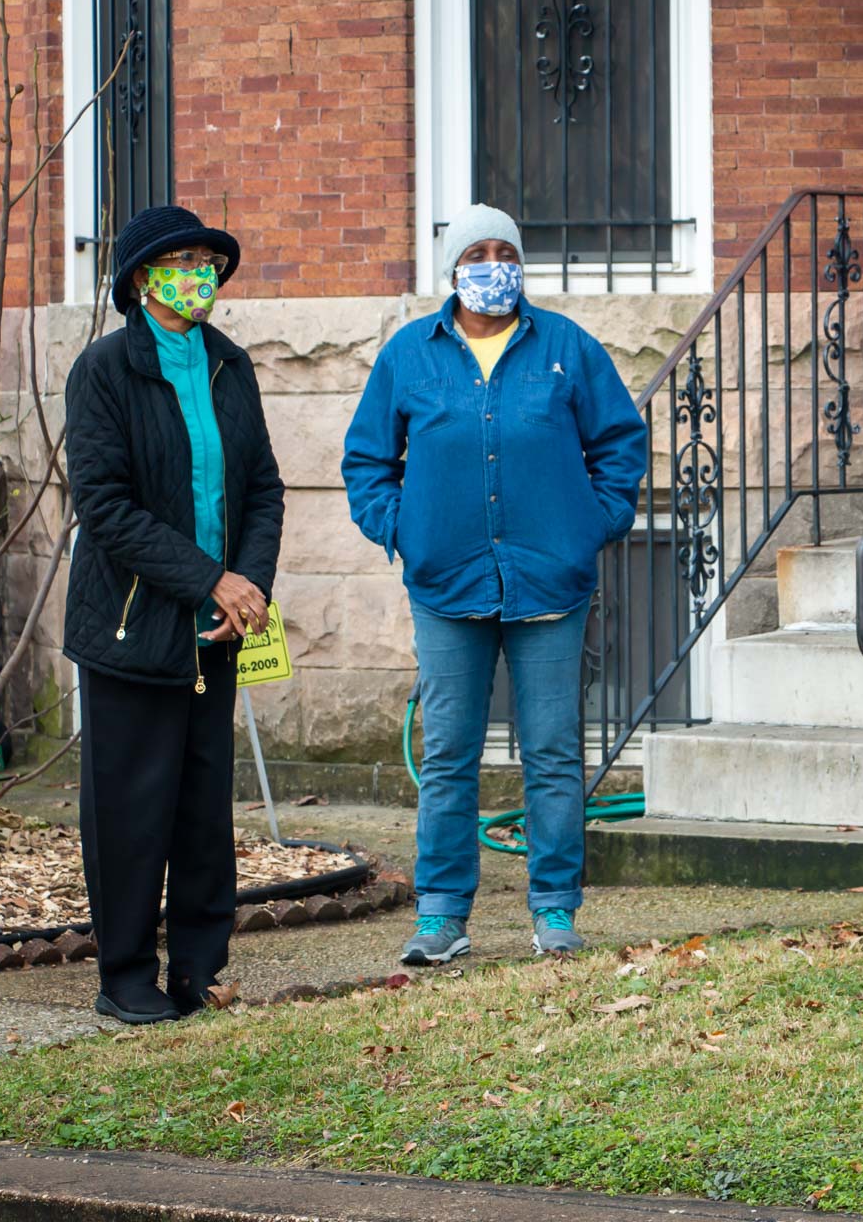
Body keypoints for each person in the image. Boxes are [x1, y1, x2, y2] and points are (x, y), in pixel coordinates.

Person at [342, 205, 647, 966]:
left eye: (503, 251)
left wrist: (592, 523)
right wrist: (401, 528)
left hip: (551, 583)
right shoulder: (411, 355)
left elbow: (619, 444)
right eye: (476, 253)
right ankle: (442, 914)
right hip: (446, 583)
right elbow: (366, 461)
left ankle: (555, 910)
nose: (491, 265)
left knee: (551, 753)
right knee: (448, 754)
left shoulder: (567, 349)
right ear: (452, 268)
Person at [64, 205, 285, 1025]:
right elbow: (107, 508)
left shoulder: (230, 365)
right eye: (180, 261)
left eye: (205, 260)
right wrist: (207, 582)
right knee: (129, 810)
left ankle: (199, 968)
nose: (199, 274)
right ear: (140, 281)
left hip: (216, 633)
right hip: (130, 631)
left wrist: (248, 586)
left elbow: (261, 488)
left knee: (201, 809)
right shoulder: (104, 371)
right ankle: (124, 976)